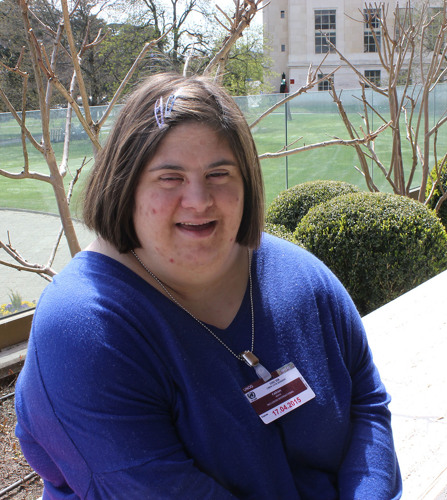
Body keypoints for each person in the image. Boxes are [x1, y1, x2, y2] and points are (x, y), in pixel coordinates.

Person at [15, 73, 402, 499]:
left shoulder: (301, 278)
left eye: (219, 173)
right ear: (125, 185)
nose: (199, 200)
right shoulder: (82, 330)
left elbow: (366, 403)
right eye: (170, 177)